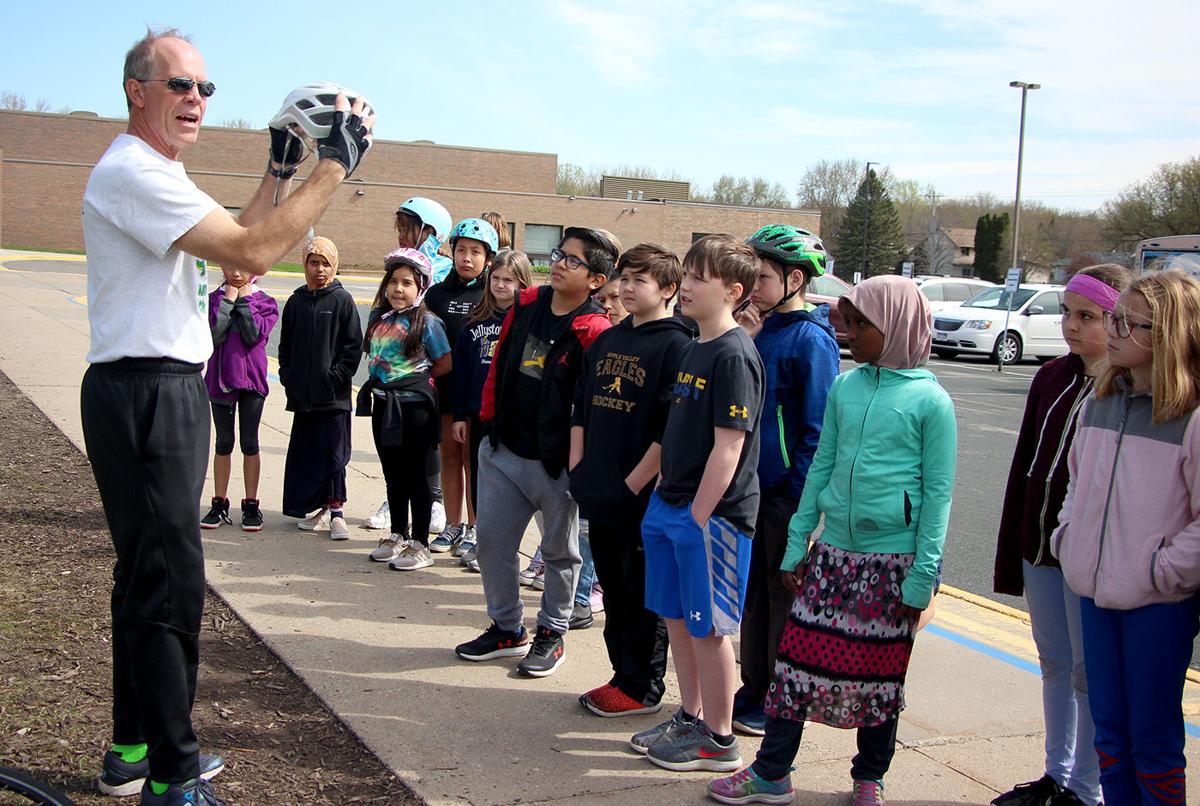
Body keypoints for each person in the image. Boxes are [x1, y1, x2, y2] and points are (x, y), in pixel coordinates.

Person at [80, 27, 372, 806]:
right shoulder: (135, 172)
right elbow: (256, 249)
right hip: (146, 390)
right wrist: (333, 164)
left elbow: (237, 257)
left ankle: (132, 748)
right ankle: (173, 777)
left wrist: (279, 169)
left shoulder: (155, 173)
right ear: (137, 91)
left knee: (144, 578)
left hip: (154, 387)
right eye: (180, 86)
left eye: (205, 89)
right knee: (170, 583)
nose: (197, 101)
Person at [708, 274, 956, 806]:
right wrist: (798, 545)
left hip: (893, 562)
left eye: (861, 323)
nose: (849, 331)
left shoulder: (931, 403)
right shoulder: (847, 386)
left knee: (880, 678)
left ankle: (869, 777)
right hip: (833, 555)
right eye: (847, 320)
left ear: (895, 327)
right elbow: (820, 467)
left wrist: (922, 575)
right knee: (794, 669)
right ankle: (771, 772)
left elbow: (938, 498)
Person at [1051, 269, 1200, 805]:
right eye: (1113, 319)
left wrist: (1160, 571)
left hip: (1156, 607)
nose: (1112, 331)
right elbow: (1074, 482)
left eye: (1127, 323)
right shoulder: (1099, 401)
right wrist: (1070, 539)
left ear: (1168, 334)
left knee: (1152, 742)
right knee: (1111, 734)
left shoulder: (1192, 417)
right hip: (1094, 593)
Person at [991, 264, 1131, 806]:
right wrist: (1013, 548)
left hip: (1087, 556)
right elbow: (1025, 465)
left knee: (1087, 673)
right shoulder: (1051, 377)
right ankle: (1056, 772)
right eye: (1068, 313)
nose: (1072, 325)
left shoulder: (1124, 386)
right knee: (1053, 662)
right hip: (1039, 547)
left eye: (1087, 316)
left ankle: (1086, 788)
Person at [454, 227, 617, 676]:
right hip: (504, 448)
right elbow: (501, 361)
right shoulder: (527, 303)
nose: (560, 263)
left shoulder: (594, 330)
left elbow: (592, 405)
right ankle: (507, 628)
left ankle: (552, 633)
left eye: (574, 260)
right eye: (560, 254)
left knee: (560, 553)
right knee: (492, 543)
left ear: (597, 281)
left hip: (556, 465)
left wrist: (579, 466)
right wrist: (488, 424)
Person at [632, 234, 763, 773]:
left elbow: (729, 448)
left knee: (709, 629)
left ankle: (719, 738)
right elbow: (675, 431)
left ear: (732, 292)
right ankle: (690, 717)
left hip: (710, 518)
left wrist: (698, 516)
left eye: (698, 278)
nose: (685, 285)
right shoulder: (693, 345)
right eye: (685, 275)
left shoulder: (734, 355)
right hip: (671, 505)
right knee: (679, 620)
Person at [570, 243, 691, 716]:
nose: (626, 287)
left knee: (641, 591)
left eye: (639, 280)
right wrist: (579, 467)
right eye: (625, 278)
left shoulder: (678, 344)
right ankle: (621, 674)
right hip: (597, 485)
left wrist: (631, 485)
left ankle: (642, 687)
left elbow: (670, 427)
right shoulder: (609, 339)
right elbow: (581, 402)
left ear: (669, 290)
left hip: (637, 495)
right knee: (614, 590)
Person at [729, 225, 839, 737]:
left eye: (764, 277)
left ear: (795, 279)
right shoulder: (755, 326)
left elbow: (818, 430)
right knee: (751, 596)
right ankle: (751, 686)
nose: (752, 286)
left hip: (783, 497)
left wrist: (801, 501)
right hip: (748, 488)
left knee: (779, 597)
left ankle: (773, 696)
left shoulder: (810, 341)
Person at [364, 196, 453, 534]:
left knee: (427, 448)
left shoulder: (442, 274)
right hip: (395, 385)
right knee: (398, 453)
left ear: (430, 232)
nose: (402, 234)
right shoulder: (401, 269)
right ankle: (399, 506)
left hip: (427, 378)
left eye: (408, 228)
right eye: (399, 227)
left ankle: (435, 502)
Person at [448, 248, 534, 570]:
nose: (500, 285)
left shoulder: (530, 325)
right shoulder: (474, 325)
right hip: (478, 416)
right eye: (495, 278)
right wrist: (459, 415)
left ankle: (504, 550)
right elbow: (460, 375)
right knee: (481, 482)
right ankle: (483, 542)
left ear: (522, 283)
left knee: (512, 489)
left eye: (508, 280)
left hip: (514, 419)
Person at [278, 237, 363, 539]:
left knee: (334, 456)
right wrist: (288, 375)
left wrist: (333, 378)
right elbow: (285, 345)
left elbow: (352, 348)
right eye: (313, 263)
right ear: (305, 265)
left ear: (334, 265)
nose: (319, 270)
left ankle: (337, 511)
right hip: (303, 398)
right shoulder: (296, 301)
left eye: (325, 263)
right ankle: (320, 509)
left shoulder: (342, 301)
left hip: (333, 398)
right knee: (309, 454)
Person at [425, 218, 497, 555]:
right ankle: (453, 525)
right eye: (461, 250)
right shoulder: (437, 294)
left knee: (473, 461)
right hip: (443, 389)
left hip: (476, 394)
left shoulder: (491, 294)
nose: (467, 257)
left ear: (488, 257)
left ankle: (475, 526)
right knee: (449, 457)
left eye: (476, 252)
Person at [199, 266, 279, 532]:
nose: (236, 271)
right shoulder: (214, 299)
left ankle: (251, 503)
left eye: (243, 266)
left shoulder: (265, 302)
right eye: (229, 264)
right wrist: (229, 300)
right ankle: (219, 502)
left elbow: (254, 334)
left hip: (252, 383)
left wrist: (244, 300)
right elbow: (213, 335)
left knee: (249, 442)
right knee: (223, 443)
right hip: (220, 381)